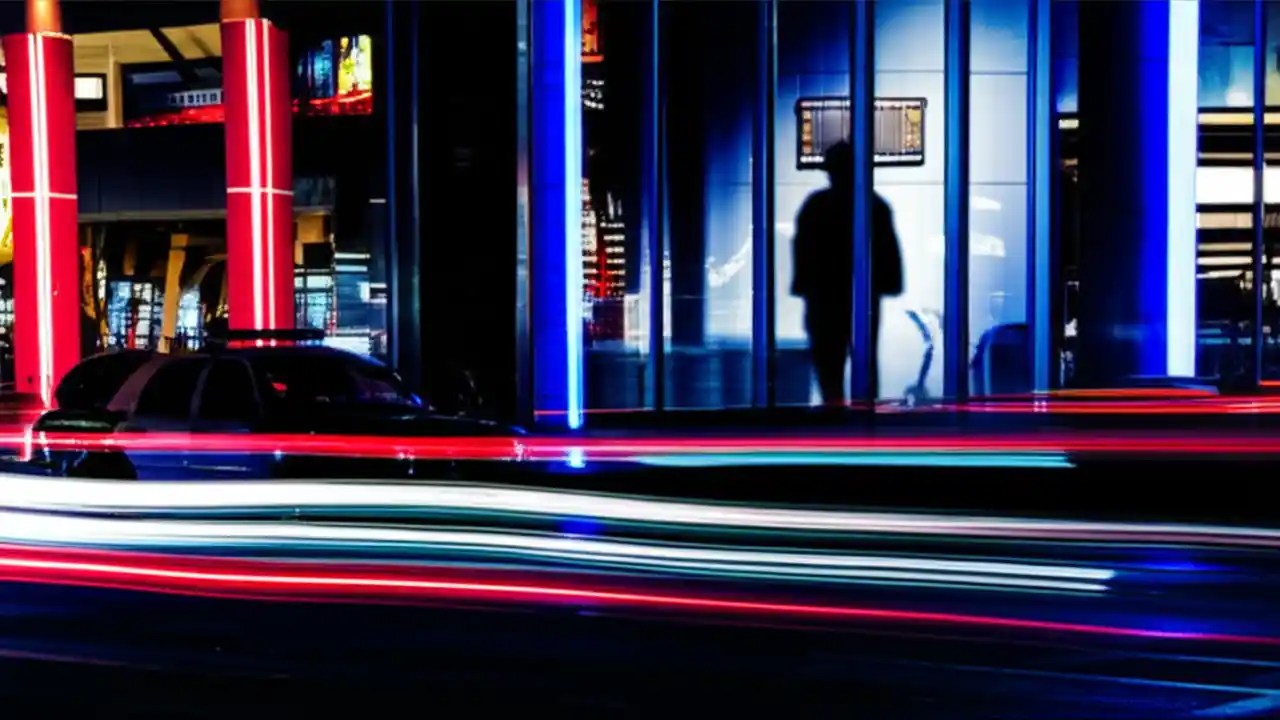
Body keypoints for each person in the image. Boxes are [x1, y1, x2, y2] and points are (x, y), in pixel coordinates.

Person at [792, 140, 903, 406]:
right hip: (860, 299)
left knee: (828, 369)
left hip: (823, 301)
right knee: (864, 364)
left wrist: (806, 289)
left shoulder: (815, 206)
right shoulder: (874, 207)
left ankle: (836, 417)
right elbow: (888, 254)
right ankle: (863, 420)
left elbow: (803, 252)